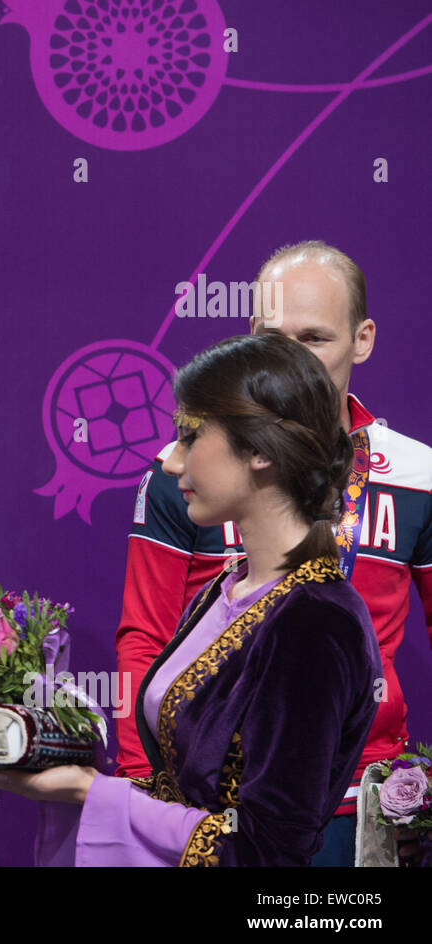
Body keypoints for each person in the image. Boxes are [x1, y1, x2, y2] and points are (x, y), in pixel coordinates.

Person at [0, 334, 382, 866]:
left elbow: (265, 853)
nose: (169, 461)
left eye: (190, 435)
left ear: (259, 450)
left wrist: (88, 792)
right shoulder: (228, 586)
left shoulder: (315, 622)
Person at [115, 241, 432, 865]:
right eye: (273, 337)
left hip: (363, 799)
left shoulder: (418, 474)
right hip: (215, 800)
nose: (293, 362)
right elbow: (144, 637)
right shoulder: (191, 472)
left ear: (362, 340)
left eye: (314, 338)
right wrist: (137, 791)